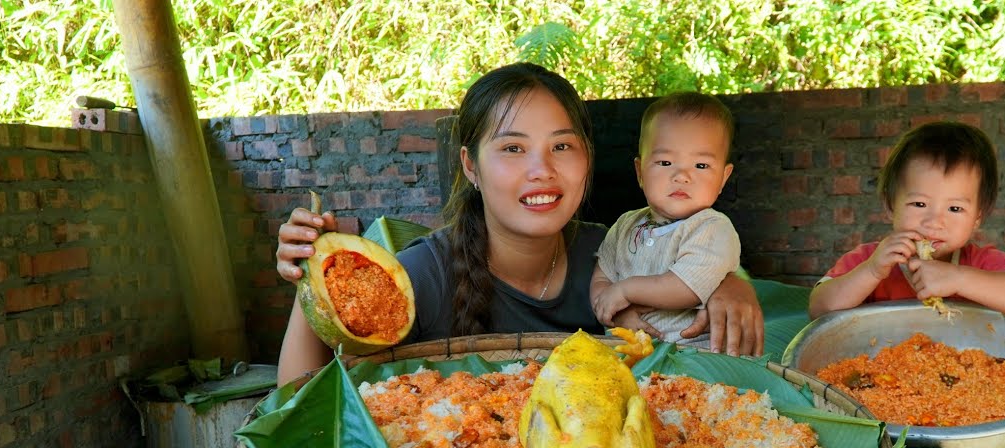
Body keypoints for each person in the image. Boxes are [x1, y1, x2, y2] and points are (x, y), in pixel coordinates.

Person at [274, 63, 764, 385]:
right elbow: (297, 402)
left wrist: (729, 283)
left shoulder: (617, 250)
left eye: (562, 146)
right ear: (471, 166)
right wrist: (311, 280)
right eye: (512, 148)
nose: (542, 169)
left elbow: (691, 264)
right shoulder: (427, 273)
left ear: (586, 160)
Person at [808, 121, 1005, 320]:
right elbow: (819, 309)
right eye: (919, 204)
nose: (934, 222)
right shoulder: (869, 259)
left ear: (977, 218)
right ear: (891, 205)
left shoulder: (980, 262)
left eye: (955, 208)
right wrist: (871, 271)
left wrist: (959, 278)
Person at [589, 92, 740, 346]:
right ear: (640, 172)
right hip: (627, 353)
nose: (682, 175)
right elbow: (601, 280)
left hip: (692, 355)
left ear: (723, 178)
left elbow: (686, 288)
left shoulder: (712, 228)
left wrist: (625, 291)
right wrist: (614, 311)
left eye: (701, 166)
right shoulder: (625, 224)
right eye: (666, 162)